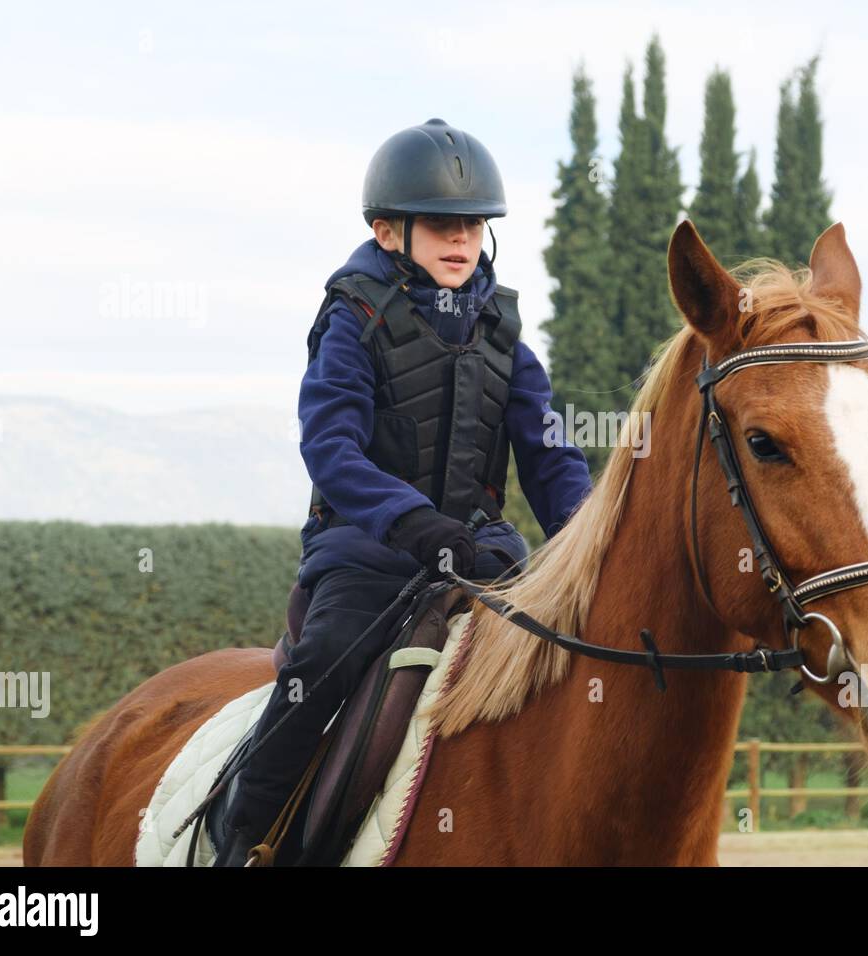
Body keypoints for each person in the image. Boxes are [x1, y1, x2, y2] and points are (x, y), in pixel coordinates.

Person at [214, 118, 593, 866]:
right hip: (366, 553)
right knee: (319, 664)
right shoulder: (351, 319)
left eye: (475, 226)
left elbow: (550, 458)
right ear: (389, 232)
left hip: (481, 554)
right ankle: (241, 838)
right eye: (443, 225)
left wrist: (590, 537)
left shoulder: (504, 333)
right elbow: (331, 449)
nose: (462, 241)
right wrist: (412, 522)